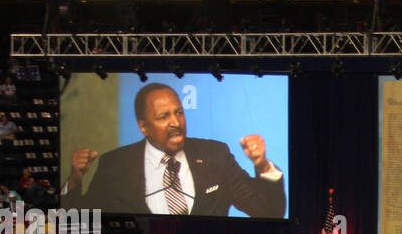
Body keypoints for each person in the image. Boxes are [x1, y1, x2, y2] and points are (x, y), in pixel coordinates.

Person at [63, 82, 286, 217]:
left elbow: (268, 212)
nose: (175, 123)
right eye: (163, 116)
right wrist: (74, 180)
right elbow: (80, 222)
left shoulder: (214, 155)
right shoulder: (116, 164)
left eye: (179, 113)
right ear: (143, 127)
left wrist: (262, 165)